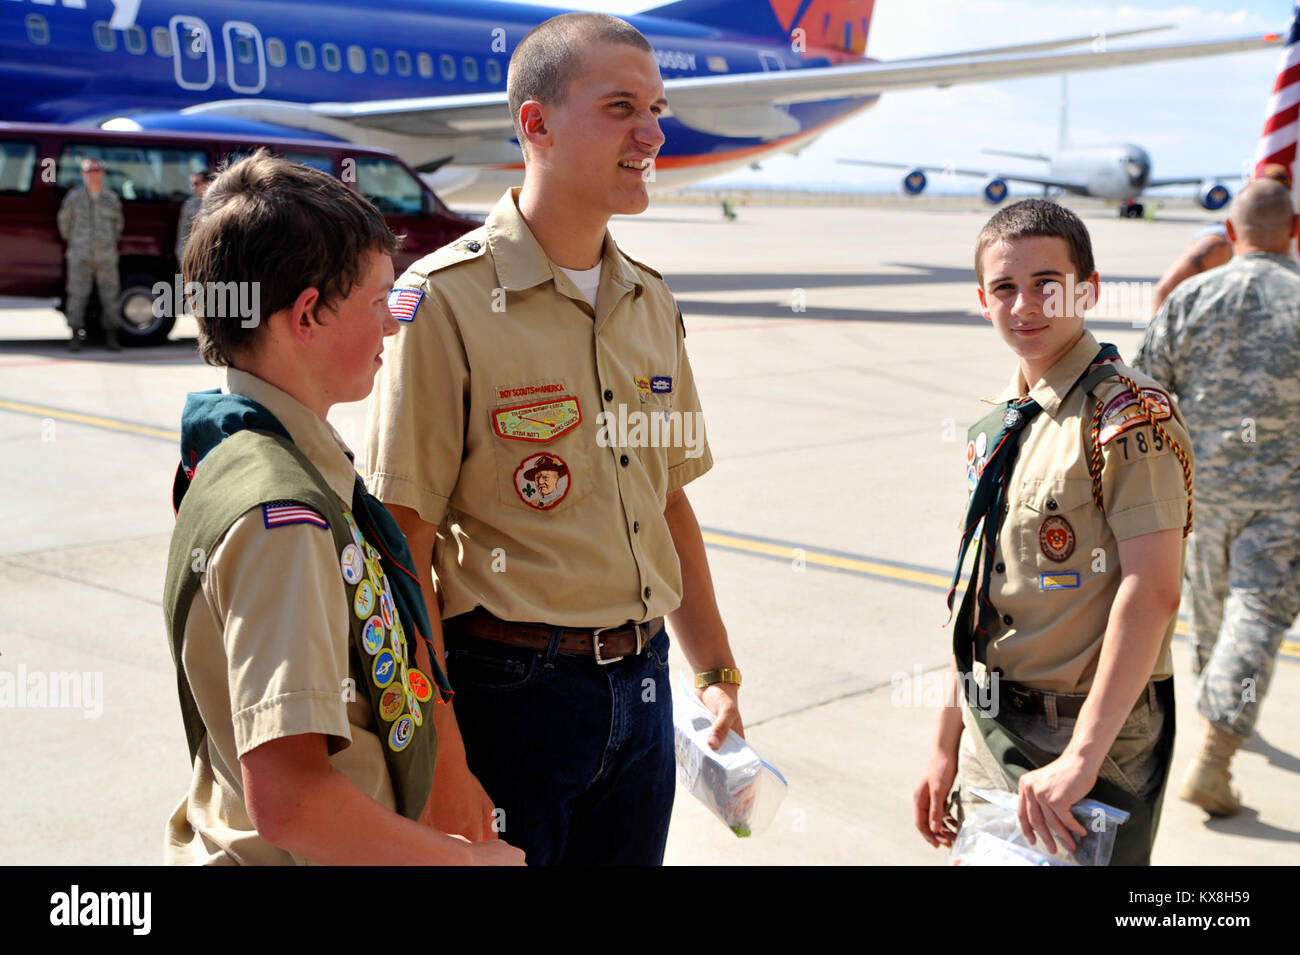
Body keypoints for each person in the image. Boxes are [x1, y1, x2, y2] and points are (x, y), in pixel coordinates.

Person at [364, 12, 744, 866]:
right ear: (534, 123)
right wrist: (442, 753)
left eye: (657, 107)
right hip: (509, 695)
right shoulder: (443, 302)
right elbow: (402, 545)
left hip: (643, 686)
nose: (652, 132)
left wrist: (715, 671)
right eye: (620, 108)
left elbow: (666, 499)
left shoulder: (649, 300)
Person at [161, 150, 523, 866]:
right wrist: (464, 862)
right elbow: (292, 800)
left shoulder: (244, 448)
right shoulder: (282, 516)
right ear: (306, 315)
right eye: (376, 301)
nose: (393, 325)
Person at [914, 198, 1194, 866]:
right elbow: (978, 597)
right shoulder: (1005, 424)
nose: (1025, 305)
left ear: (1088, 289)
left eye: (1047, 283)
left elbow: (1152, 591)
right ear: (983, 300)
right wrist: (946, 740)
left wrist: (1082, 757)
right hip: (995, 728)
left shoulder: (1128, 417)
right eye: (1005, 288)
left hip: (1084, 740)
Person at [1134, 178, 1300, 817]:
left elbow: (1146, 391)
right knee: (1257, 615)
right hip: (1282, 501)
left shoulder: (1192, 296)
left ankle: (1219, 715)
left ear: (1231, 233)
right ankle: (1215, 755)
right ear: (1292, 231)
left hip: (1200, 492)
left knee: (1213, 612)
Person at [1151, 163, 1293, 312]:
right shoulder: (1219, 244)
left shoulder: (1288, 238)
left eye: (1278, 191)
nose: (1270, 197)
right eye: (1261, 190)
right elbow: (1166, 290)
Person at [57, 157, 123, 351]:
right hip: (80, 255)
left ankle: (111, 335)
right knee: (77, 295)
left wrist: (106, 244)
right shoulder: (74, 198)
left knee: (110, 296)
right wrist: (78, 243)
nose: (92, 174)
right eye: (88, 170)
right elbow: (65, 224)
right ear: (83, 174)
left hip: (105, 256)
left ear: (102, 173)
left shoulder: (110, 199)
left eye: (95, 170)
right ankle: (75, 334)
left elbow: (117, 226)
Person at [175, 170, 214, 262]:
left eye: (196, 183)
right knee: (178, 276)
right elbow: (183, 233)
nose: (193, 187)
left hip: (210, 259)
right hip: (189, 257)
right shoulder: (190, 205)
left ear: (208, 183)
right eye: (192, 184)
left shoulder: (220, 203)